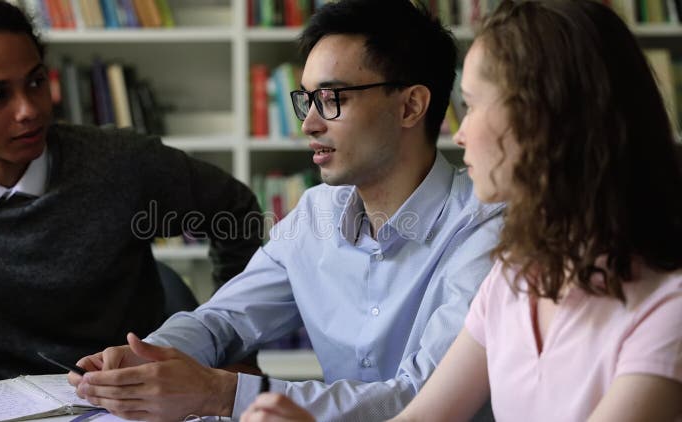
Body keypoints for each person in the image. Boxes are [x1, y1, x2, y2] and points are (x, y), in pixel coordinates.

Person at [240, 0, 682, 421]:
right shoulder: (513, 277)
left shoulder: (667, 310)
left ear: (546, 121)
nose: (459, 132)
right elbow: (418, 418)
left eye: (471, 106)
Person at [69, 0, 504, 420]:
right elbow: (224, 320)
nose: (308, 123)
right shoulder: (316, 214)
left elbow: (421, 398)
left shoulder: (487, 227)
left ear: (410, 106)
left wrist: (221, 393)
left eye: (331, 98)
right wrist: (147, 357)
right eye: (307, 100)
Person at [0, 0, 263, 389]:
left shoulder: (120, 163)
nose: (29, 110)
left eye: (36, 82)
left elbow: (236, 211)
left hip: (132, 397)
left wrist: (234, 347)